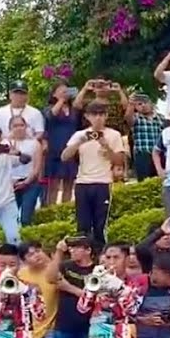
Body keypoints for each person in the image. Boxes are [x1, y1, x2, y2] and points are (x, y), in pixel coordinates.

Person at [61, 101, 126, 250]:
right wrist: (79, 142)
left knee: (100, 224)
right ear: (87, 116)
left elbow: (119, 161)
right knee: (82, 224)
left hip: (103, 183)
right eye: (94, 114)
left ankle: (100, 254)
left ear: (106, 116)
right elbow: (64, 157)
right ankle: (83, 254)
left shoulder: (114, 135)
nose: (98, 118)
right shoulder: (79, 134)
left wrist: (105, 145)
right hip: (82, 183)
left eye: (102, 114)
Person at [44, 81, 82, 205]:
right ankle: (50, 212)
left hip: (70, 149)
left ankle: (65, 210)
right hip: (55, 150)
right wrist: (61, 100)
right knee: (54, 185)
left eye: (66, 90)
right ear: (54, 94)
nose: (65, 92)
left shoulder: (73, 110)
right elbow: (51, 116)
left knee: (69, 183)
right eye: (61, 90)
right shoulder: (49, 109)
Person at [5, 115, 44, 225]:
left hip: (30, 182)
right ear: (10, 128)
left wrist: (26, 182)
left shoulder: (34, 143)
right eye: (15, 125)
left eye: (21, 125)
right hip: (10, 184)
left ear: (26, 126)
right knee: (11, 218)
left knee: (26, 218)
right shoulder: (4, 144)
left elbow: (37, 167)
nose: (19, 128)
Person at [128, 93, 165, 181]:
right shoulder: (136, 118)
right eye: (139, 104)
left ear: (151, 103)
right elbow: (128, 118)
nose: (143, 105)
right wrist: (130, 105)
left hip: (159, 154)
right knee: (144, 181)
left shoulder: (161, 118)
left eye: (145, 102)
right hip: (143, 154)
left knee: (161, 181)